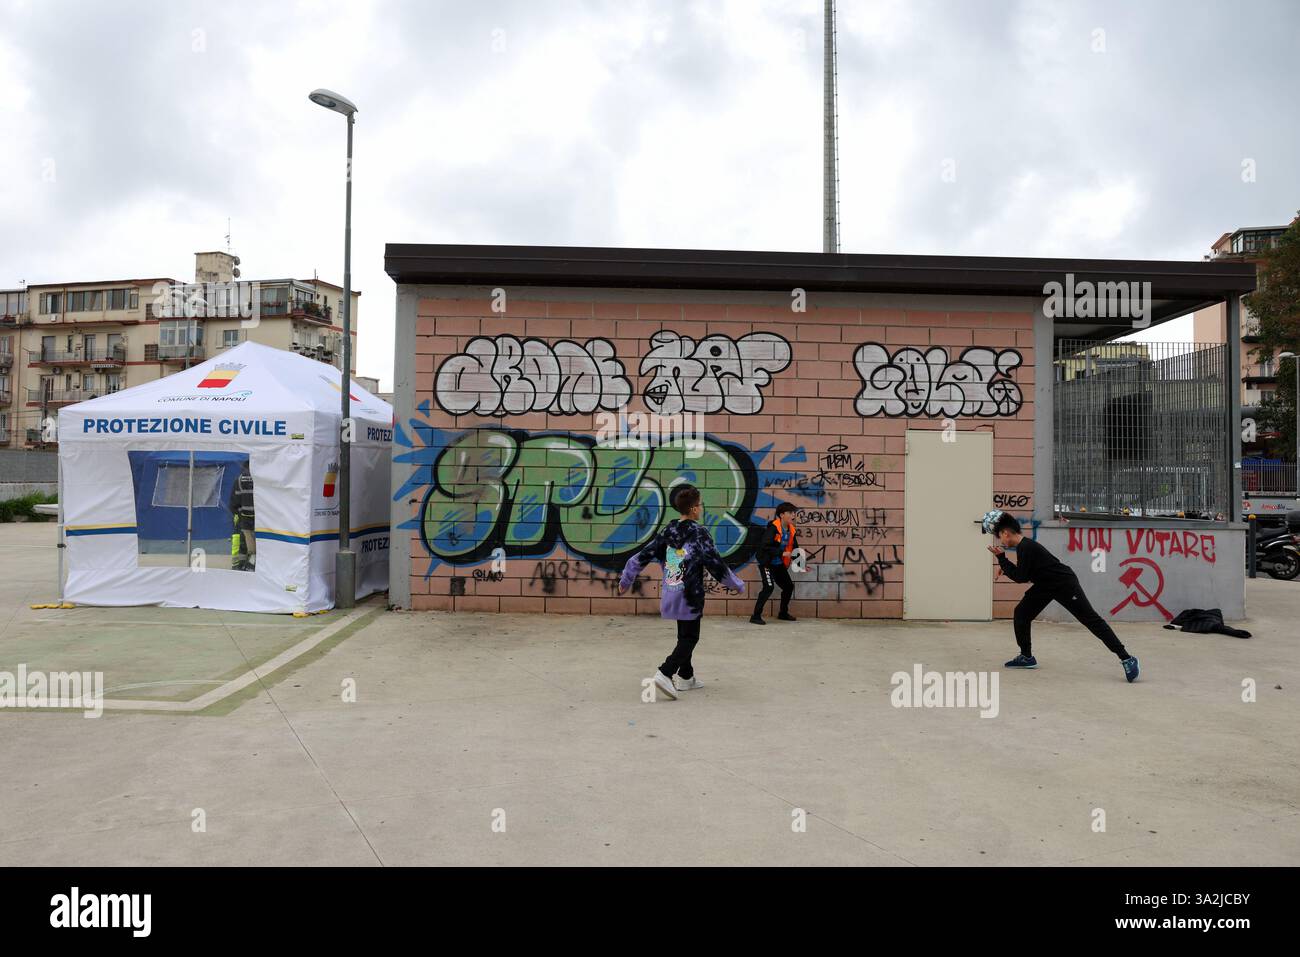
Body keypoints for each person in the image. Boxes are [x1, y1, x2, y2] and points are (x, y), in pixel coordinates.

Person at [618, 484, 745, 700]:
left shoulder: (668, 530)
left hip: (671, 591)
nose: (701, 508)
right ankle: (665, 672)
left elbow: (641, 556)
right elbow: (716, 564)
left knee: (683, 634)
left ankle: (686, 677)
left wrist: (626, 579)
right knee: (690, 638)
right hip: (691, 595)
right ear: (694, 509)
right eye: (700, 505)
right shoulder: (699, 533)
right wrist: (737, 584)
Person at [983, 510, 1139, 682]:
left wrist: (1002, 559)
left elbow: (1021, 577)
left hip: (1064, 584)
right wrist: (1005, 566)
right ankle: (1026, 657)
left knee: (1091, 620)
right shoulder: (1024, 547)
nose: (1000, 540)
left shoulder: (1026, 547)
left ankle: (1127, 658)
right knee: (1022, 613)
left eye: (999, 536)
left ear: (1005, 532)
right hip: (1045, 585)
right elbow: (1023, 573)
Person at [751, 502, 799, 625]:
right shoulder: (773, 528)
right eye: (790, 512)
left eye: (794, 512)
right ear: (782, 515)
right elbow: (765, 546)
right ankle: (755, 616)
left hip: (778, 564)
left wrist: (801, 564)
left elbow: (795, 548)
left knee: (788, 586)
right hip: (767, 563)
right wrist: (782, 553)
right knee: (768, 587)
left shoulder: (791, 530)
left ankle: (783, 613)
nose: (793, 515)